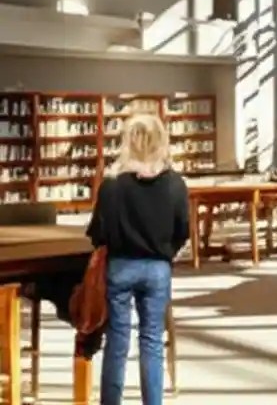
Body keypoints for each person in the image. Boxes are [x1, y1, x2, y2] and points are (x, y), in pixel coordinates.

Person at [87, 114, 190, 405]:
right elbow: (183, 230)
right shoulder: (175, 184)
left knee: (117, 342)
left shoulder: (112, 185)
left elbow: (98, 232)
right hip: (157, 268)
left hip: (121, 266)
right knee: (152, 341)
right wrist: (166, 251)